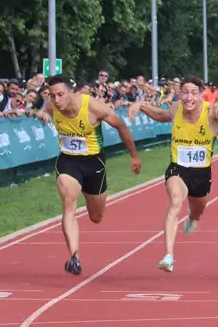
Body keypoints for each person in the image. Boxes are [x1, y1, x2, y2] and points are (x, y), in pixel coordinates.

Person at [128, 76, 218, 272]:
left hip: (202, 174)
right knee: (175, 202)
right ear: (179, 94)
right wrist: (140, 105)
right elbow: (161, 115)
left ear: (201, 95)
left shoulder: (212, 111)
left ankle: (193, 218)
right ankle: (168, 256)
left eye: (193, 93)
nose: (188, 97)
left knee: (197, 211)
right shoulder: (176, 108)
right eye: (184, 92)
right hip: (178, 168)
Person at [38, 75, 142, 275]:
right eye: (52, 96)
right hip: (68, 161)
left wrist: (134, 156)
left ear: (73, 92)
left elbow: (121, 126)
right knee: (69, 204)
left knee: (96, 216)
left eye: (60, 95)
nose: (56, 100)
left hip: (94, 162)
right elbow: (43, 107)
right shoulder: (51, 106)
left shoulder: (94, 107)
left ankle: (91, 199)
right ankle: (74, 257)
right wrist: (42, 113)